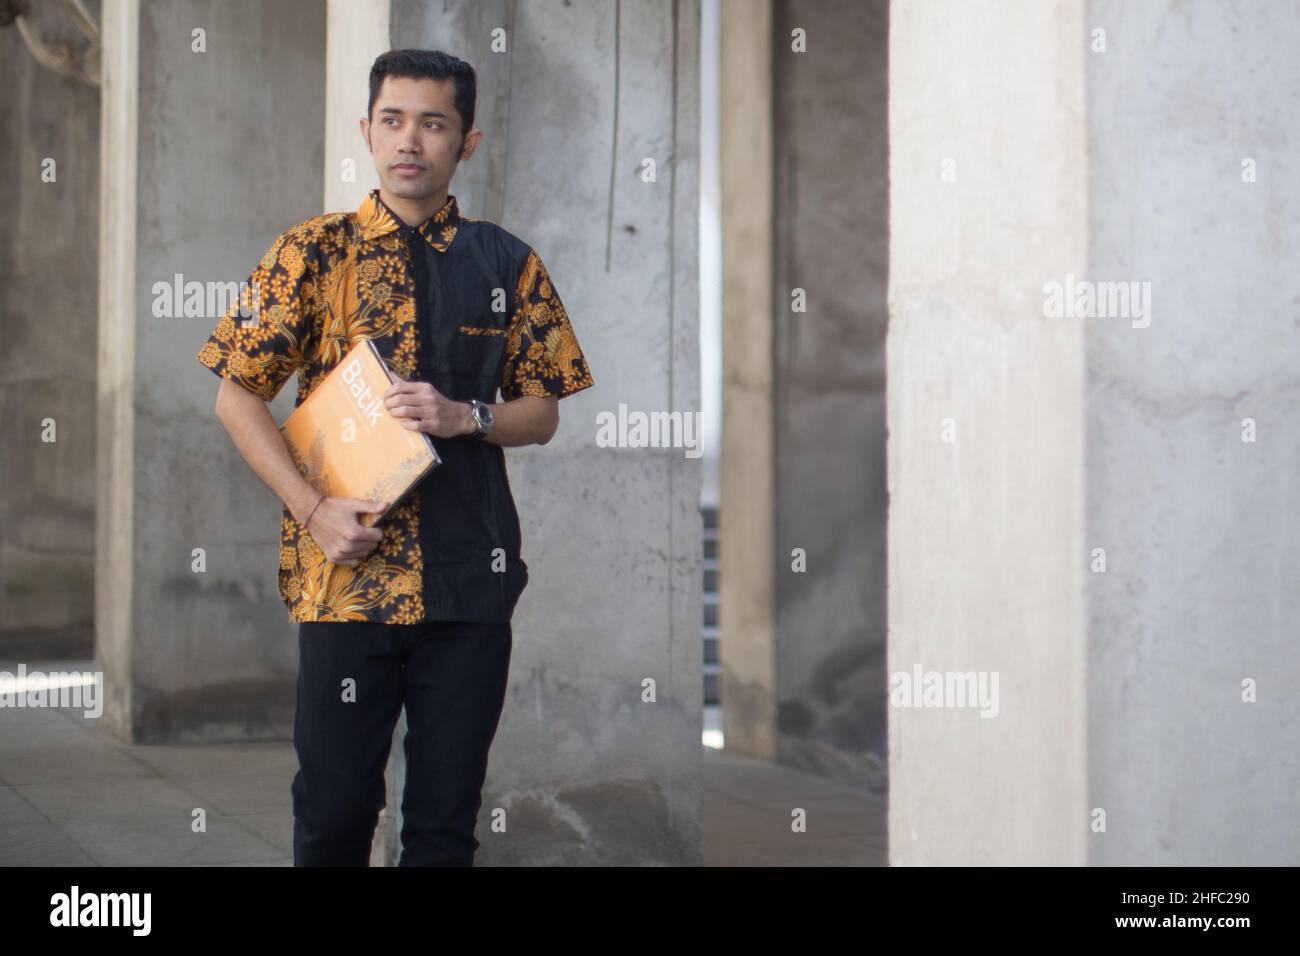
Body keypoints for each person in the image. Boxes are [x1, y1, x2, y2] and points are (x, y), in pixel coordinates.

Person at [195, 48, 594, 866]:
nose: (410, 139)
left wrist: (464, 414)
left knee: (444, 827)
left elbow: (544, 413)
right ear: (368, 131)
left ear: (466, 143)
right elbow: (237, 396)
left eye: (433, 123)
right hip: (345, 583)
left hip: (468, 586)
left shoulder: (507, 264)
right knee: (335, 815)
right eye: (393, 120)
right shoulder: (310, 254)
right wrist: (313, 511)